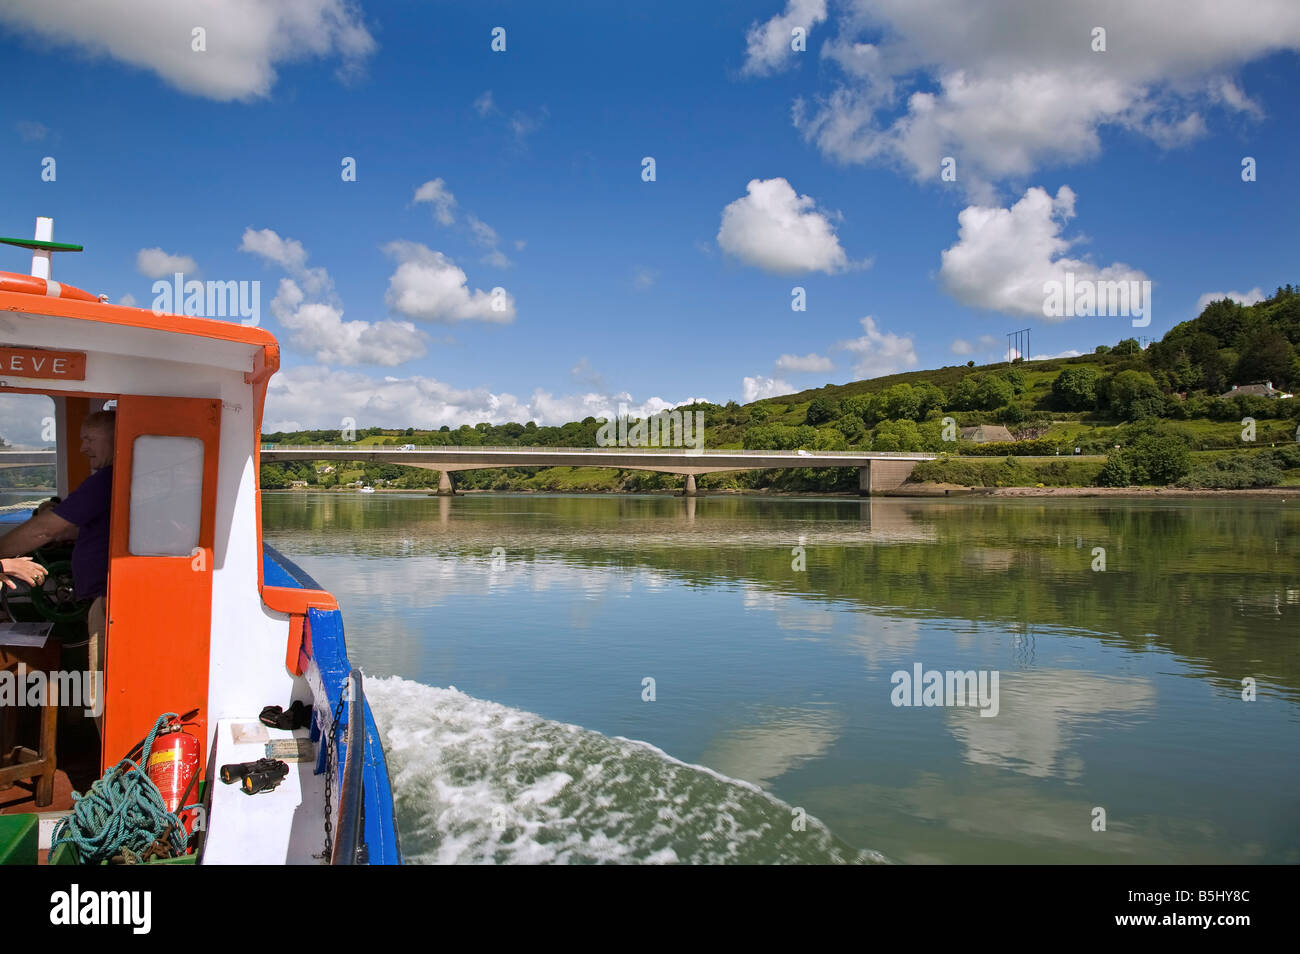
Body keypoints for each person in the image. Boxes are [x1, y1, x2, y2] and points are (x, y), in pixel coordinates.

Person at [0, 410, 114, 726]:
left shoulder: (105, 481)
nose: (82, 448)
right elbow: (69, 528)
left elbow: (46, 531)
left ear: (114, 438)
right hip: (99, 601)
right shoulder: (108, 481)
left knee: (100, 693)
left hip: (108, 603)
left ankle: (111, 770)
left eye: (89, 439)